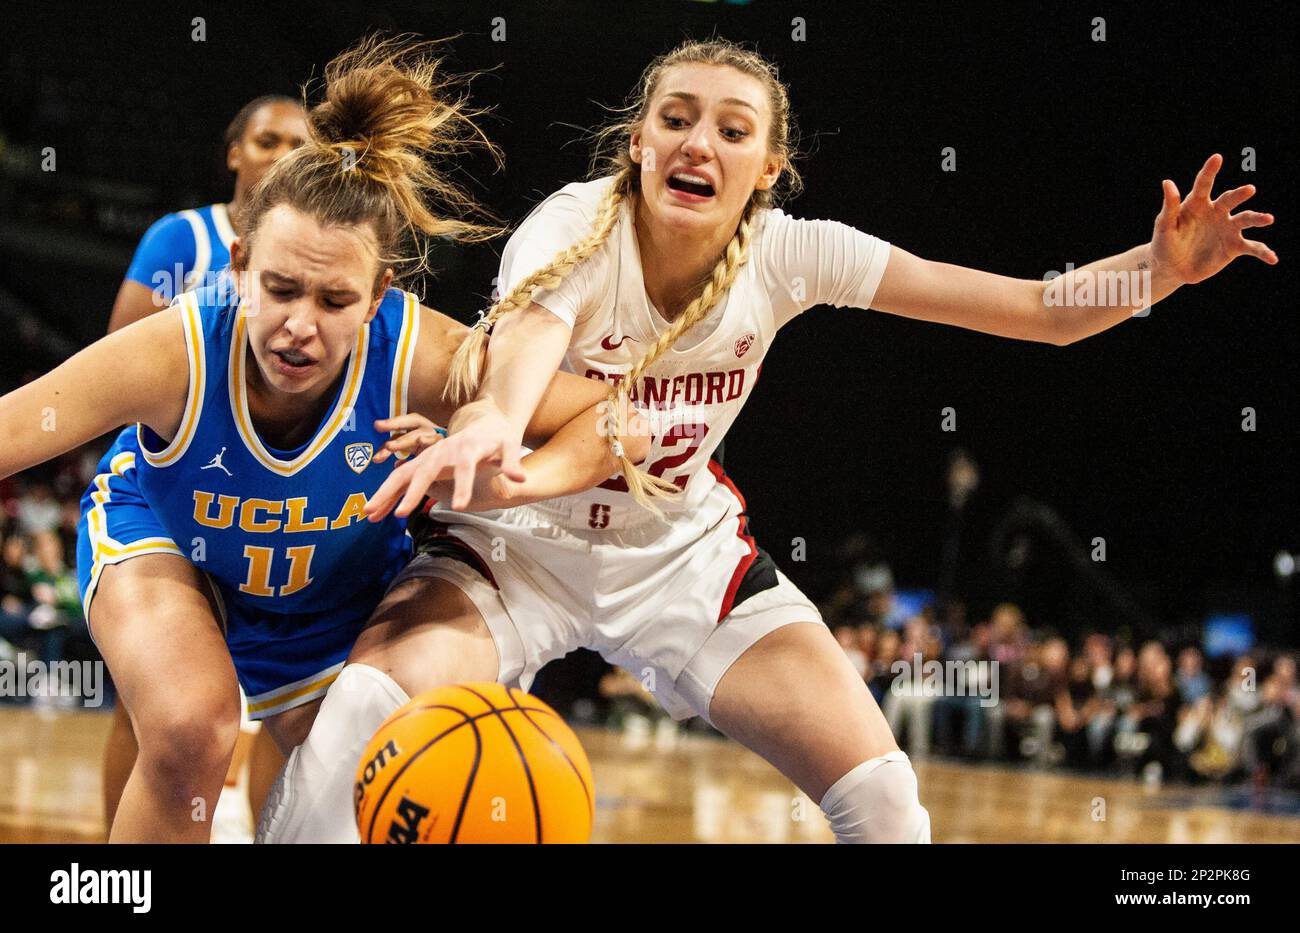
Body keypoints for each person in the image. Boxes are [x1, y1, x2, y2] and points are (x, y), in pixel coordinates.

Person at [262, 37, 1276, 844]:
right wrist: (485, 422)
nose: (698, 142)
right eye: (675, 119)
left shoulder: (792, 254)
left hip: (679, 559)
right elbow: (523, 348)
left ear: (767, 167)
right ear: (638, 144)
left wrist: (1153, 271)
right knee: (355, 718)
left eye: (731, 129)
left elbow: (1040, 309)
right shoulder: (572, 228)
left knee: (886, 803)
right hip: (516, 548)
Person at [0, 35, 646, 842]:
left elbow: (622, 418)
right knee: (191, 724)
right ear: (239, 268)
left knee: (358, 762)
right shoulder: (178, 349)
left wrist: (509, 470)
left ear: (378, 296)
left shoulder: (422, 353)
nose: (299, 326)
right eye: (278, 288)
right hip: (168, 538)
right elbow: (13, 430)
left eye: (334, 299)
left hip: (320, 584)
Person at [101, 92, 310, 840]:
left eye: (299, 142)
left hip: (279, 500)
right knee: (166, 709)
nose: (281, 152)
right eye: (266, 138)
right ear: (235, 152)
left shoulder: (321, 249)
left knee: (293, 712)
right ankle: (119, 857)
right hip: (175, 488)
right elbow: (118, 361)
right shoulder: (181, 238)